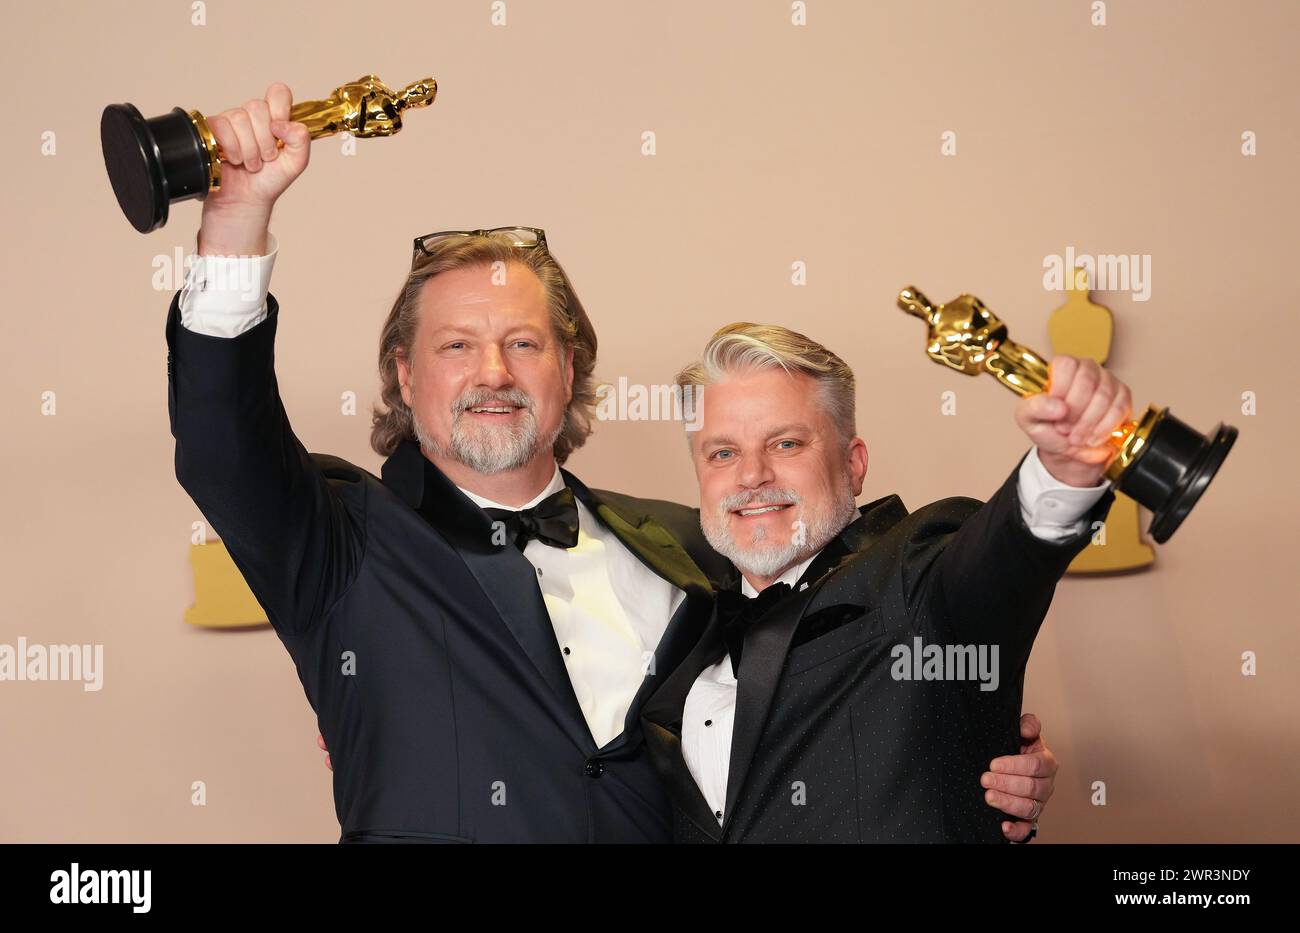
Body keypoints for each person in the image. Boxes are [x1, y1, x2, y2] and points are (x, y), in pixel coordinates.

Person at [169, 82, 1057, 842]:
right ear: (403, 372)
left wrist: (971, 737)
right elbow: (223, 444)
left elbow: (859, 647)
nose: (492, 372)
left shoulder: (693, 542)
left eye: (524, 342)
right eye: (456, 346)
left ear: (570, 369)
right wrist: (239, 218)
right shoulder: (339, 541)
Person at [642, 323, 1123, 842]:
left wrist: (1061, 471)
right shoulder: (681, 622)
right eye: (722, 453)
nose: (752, 475)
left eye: (785, 443)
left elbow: (999, 563)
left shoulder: (915, 576)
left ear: (853, 465)